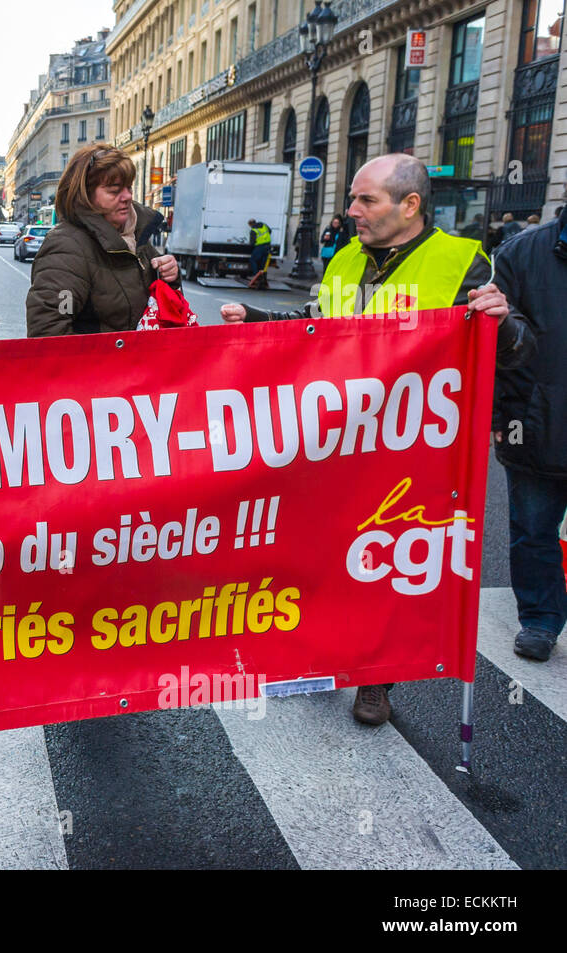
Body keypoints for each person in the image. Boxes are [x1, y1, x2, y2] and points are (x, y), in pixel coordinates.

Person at [219, 153, 533, 726]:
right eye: (353, 198)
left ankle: (373, 678)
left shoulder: (463, 262)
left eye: (366, 200)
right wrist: (258, 320)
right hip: (335, 446)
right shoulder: (344, 261)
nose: (351, 210)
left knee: (381, 566)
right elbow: (315, 324)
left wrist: (503, 322)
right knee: (320, 554)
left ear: (410, 205)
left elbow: (515, 351)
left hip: (410, 454)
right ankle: (320, 652)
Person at [490, 207, 563, 660]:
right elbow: (496, 343)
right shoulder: (521, 253)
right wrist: (501, 419)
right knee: (534, 529)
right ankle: (540, 619)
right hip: (535, 425)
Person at [26, 143, 179, 336]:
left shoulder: (135, 234)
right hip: (102, 365)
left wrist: (170, 276)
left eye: (129, 187)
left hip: (137, 363)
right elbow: (48, 330)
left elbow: (159, 305)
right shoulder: (66, 246)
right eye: (115, 191)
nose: (128, 196)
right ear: (86, 195)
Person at [246, 217, 272, 289]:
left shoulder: (253, 230)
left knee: (253, 260)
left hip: (259, 247)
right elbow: (270, 231)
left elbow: (252, 243)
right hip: (268, 246)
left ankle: (256, 276)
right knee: (263, 264)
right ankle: (263, 278)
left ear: (250, 225)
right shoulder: (264, 225)